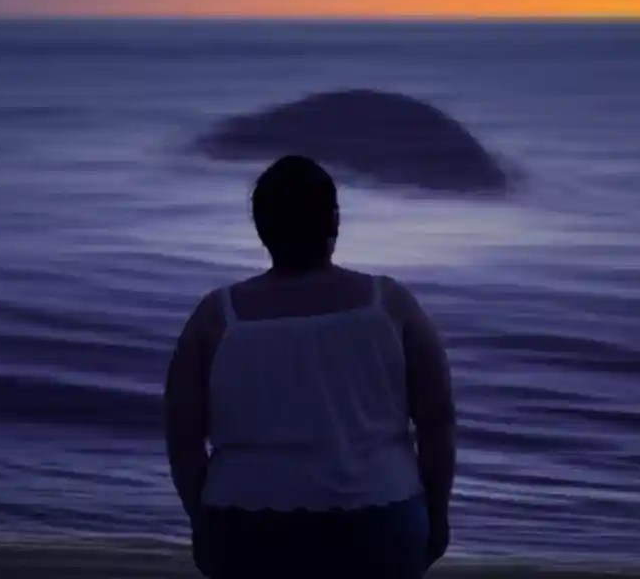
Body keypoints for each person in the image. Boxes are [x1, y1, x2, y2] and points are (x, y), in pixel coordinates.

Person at [165, 155, 457, 579]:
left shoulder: (216, 316)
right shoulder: (389, 304)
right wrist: (438, 515)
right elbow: (437, 419)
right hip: (377, 518)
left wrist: (203, 515)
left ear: (260, 227)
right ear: (334, 221)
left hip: (245, 523)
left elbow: (182, 433)